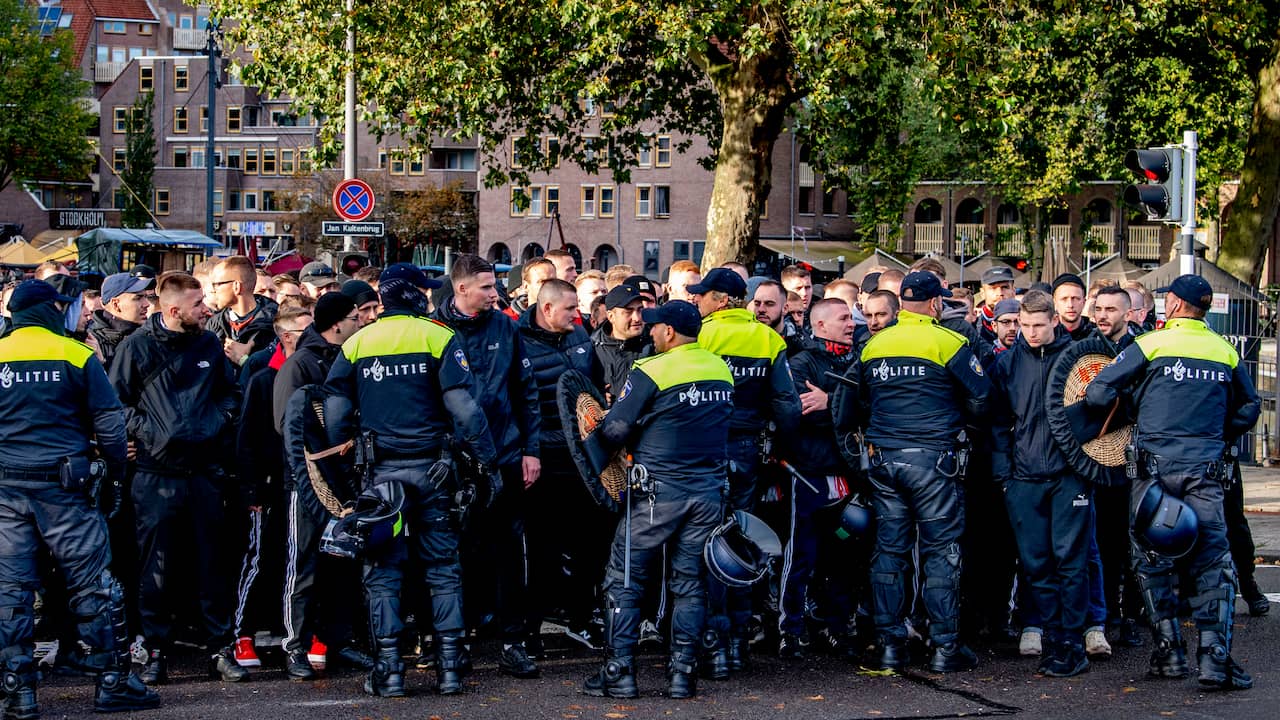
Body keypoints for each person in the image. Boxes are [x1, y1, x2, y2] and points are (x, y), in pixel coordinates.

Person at [324, 262, 499, 697]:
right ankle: (450, 667)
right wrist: (486, 461)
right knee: (442, 567)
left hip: (381, 476)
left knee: (383, 570)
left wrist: (345, 458)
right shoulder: (438, 336)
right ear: (414, 295)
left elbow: (336, 410)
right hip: (434, 471)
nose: (429, 296)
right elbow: (464, 410)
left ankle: (389, 669)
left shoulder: (359, 341)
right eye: (424, 290)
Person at [1086, 274, 1261, 690]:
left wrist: (1135, 405)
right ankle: (1214, 658)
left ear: (1178, 306)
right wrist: (1217, 434)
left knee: (1151, 558)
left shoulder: (1150, 345)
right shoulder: (1224, 350)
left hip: (1154, 471)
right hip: (1205, 470)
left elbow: (1097, 393)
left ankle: (1169, 652)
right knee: (1213, 562)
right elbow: (1249, 408)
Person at [0, 280, 161, 717]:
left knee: (11, 591)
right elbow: (109, 425)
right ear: (50, 310)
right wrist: (114, 474)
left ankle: (19, 691)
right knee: (94, 586)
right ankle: (112, 681)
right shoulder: (75, 354)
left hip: (8, 491)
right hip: (66, 491)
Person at [580, 301, 734, 700]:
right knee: (691, 583)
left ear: (669, 331)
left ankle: (619, 673)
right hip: (707, 494)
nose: (649, 332)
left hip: (656, 495)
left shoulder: (652, 369)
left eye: (655, 327)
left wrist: (599, 427)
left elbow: (615, 430)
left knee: (624, 579)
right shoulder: (720, 368)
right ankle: (682, 675)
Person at [108, 272, 248, 684]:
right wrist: (150, 432)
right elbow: (115, 403)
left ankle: (220, 648)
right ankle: (155, 651)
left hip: (204, 472)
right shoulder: (136, 347)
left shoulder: (208, 344)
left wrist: (218, 420)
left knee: (212, 564)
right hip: (156, 474)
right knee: (157, 568)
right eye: (197, 304)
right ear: (173, 310)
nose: (206, 309)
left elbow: (230, 392)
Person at [858, 271, 988, 672]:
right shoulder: (948, 342)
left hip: (884, 461)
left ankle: (889, 646)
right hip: (934, 462)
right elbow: (982, 399)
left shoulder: (874, 345)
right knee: (941, 551)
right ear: (935, 304)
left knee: (889, 551)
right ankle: (945, 647)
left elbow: (857, 401)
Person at [432, 254, 543, 678]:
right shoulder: (435, 330)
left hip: (505, 455)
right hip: (454, 462)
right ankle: (454, 641)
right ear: (462, 288)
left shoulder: (504, 327)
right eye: (486, 287)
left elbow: (525, 390)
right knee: (454, 554)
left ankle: (512, 642)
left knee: (508, 553)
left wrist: (531, 449)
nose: (495, 294)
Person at [690, 267, 801, 675]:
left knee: (704, 545)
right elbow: (787, 406)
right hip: (748, 450)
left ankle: (714, 644)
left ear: (721, 300)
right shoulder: (768, 339)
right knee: (739, 542)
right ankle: (737, 643)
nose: (697, 300)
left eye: (703, 294)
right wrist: (782, 445)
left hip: (703, 449)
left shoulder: (700, 334)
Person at [990, 290, 1090, 677]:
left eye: (1037, 325)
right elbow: (998, 422)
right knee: (1036, 564)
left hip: (1069, 475)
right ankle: (1054, 639)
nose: (1029, 332)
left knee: (1071, 562)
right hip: (1024, 477)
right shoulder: (1008, 363)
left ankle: (1072, 642)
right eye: (1024, 325)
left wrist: (1087, 467)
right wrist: (1005, 477)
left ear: (1054, 322)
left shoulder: (1076, 357)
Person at [273, 294, 368, 680]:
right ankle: (294, 644)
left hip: (345, 482)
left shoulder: (348, 358)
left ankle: (338, 640)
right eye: (355, 317)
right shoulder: (300, 364)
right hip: (307, 481)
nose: (361, 322)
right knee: (303, 566)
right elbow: (287, 426)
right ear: (336, 323)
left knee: (342, 564)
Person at [518, 279, 606, 648]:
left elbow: (595, 387)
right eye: (570, 308)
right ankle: (531, 629)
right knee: (544, 550)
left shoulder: (580, 336)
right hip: (545, 459)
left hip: (584, 459)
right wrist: (529, 450)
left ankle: (581, 619)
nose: (577, 314)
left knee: (590, 544)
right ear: (547, 308)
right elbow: (517, 402)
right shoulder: (517, 341)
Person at [230, 305, 314, 671]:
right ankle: (242, 633)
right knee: (260, 559)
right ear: (288, 337)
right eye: (307, 330)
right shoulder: (264, 378)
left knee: (299, 561)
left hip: (302, 482)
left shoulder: (316, 371)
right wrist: (251, 488)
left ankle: (299, 631)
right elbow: (248, 436)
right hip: (268, 484)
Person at [779, 298, 862, 658]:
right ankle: (790, 629)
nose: (852, 323)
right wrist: (843, 408)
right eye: (844, 318)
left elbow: (871, 410)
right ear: (821, 325)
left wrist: (831, 401)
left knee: (844, 555)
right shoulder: (801, 363)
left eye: (851, 318)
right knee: (801, 554)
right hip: (807, 476)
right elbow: (803, 413)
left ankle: (837, 627)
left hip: (847, 476)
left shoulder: (860, 359)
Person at [209, 256, 279, 367]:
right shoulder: (215, 324)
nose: (213, 290)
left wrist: (244, 361)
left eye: (217, 284)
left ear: (236, 286)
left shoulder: (277, 325)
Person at [593, 283, 652, 397]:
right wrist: (596, 396)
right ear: (611, 316)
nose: (637, 318)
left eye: (640, 310)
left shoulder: (655, 344)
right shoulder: (592, 349)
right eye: (628, 312)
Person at [87, 272, 154, 370]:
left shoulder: (151, 336)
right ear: (115, 304)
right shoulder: (91, 341)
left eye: (146, 297)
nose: (146, 304)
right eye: (138, 298)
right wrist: (102, 364)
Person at [976, 267, 1017, 342]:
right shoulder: (972, 327)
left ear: (1014, 291)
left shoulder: (1027, 324)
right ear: (982, 293)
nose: (1000, 293)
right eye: (993, 288)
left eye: (1005, 287)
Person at [1052, 274, 1094, 341]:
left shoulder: (1097, 336)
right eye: (1064, 299)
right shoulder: (1046, 336)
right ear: (1055, 303)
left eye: (1076, 298)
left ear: (1084, 302)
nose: (1070, 305)